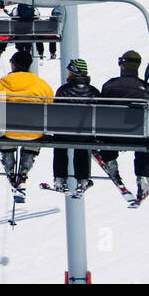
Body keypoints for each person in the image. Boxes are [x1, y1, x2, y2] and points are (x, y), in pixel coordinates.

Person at [96, 50, 149, 199]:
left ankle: (110, 161)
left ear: (122, 65)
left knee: (105, 128)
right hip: (137, 137)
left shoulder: (110, 86)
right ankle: (143, 177)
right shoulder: (147, 88)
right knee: (146, 139)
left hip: (112, 136)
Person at [0, 49, 54, 194]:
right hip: (33, 132)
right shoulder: (40, 84)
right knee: (32, 133)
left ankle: (10, 170)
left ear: (13, 65)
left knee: (4, 132)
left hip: (8, 131)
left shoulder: (3, 83)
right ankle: (24, 170)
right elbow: (51, 102)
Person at [51, 59, 99, 195]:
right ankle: (82, 179)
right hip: (85, 134)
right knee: (83, 145)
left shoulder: (63, 90)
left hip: (63, 134)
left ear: (73, 72)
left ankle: (60, 177)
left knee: (60, 144)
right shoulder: (93, 92)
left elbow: (55, 112)